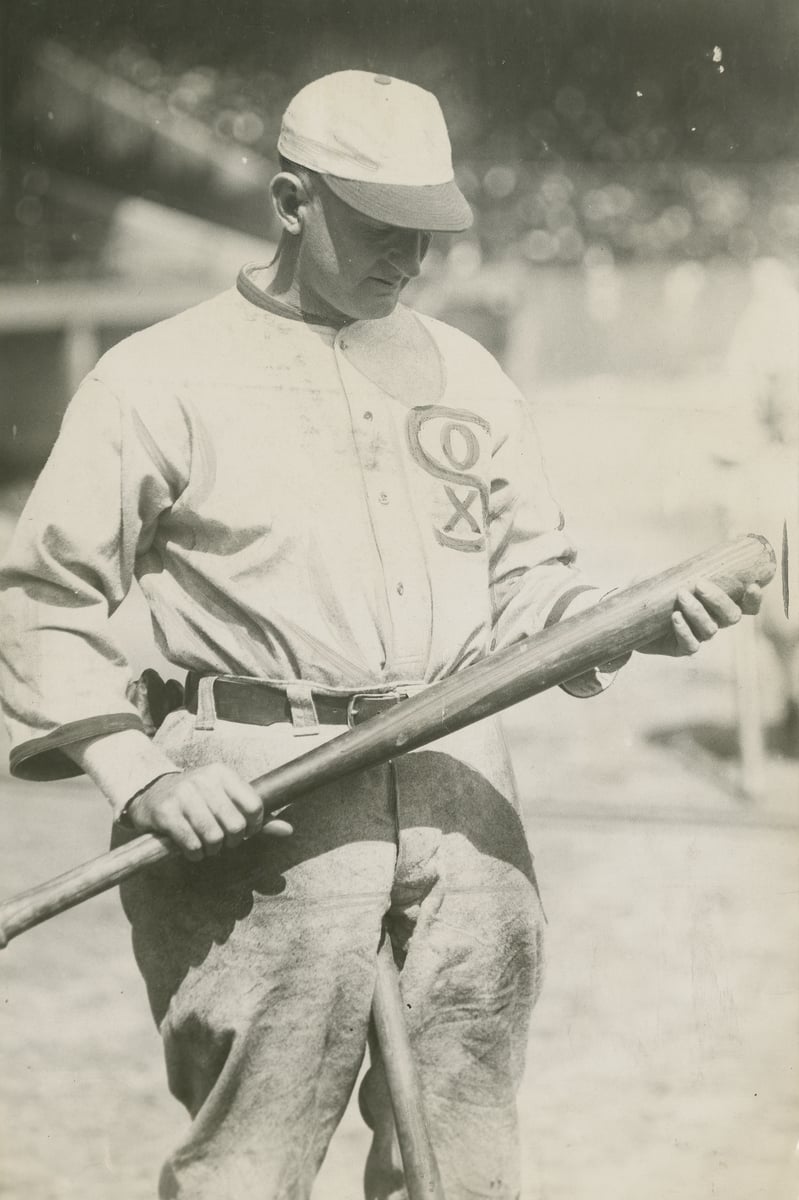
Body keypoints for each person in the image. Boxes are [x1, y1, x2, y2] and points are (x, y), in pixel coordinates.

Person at [0, 71, 761, 1200]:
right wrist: (139, 771)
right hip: (259, 798)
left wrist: (623, 627)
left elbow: (528, 584)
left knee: (459, 1156)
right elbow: (42, 600)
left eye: (428, 231)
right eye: (378, 226)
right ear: (289, 200)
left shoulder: (466, 371)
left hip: (462, 779)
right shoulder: (156, 377)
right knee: (247, 1165)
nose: (408, 257)